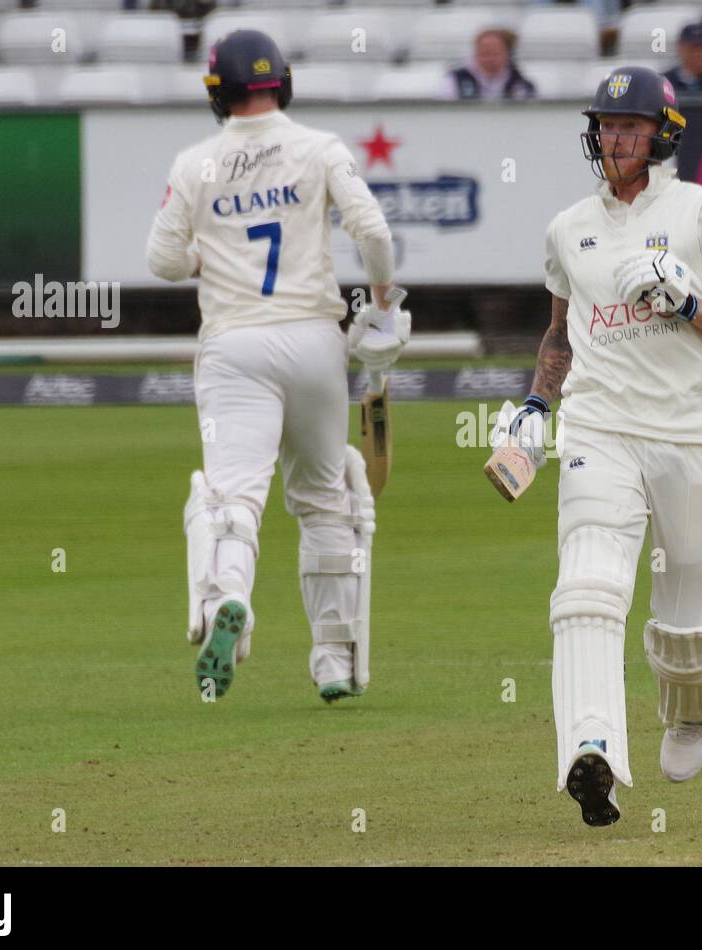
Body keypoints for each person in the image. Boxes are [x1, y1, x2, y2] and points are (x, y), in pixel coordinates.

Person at [498, 66, 702, 826]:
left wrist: (688, 302)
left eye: (630, 126)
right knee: (586, 588)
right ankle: (593, 753)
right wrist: (535, 405)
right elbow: (559, 333)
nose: (616, 138)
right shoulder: (568, 228)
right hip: (600, 428)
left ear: (662, 134)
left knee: (686, 609)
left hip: (693, 431)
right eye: (607, 126)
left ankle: (690, 707)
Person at [146, 30, 409, 704]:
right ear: (282, 83)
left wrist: (210, 257)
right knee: (326, 498)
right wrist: (381, 301)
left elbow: (163, 260)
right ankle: (331, 659)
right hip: (316, 341)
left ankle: (230, 597)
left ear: (218, 92)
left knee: (234, 496)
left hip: (235, 344)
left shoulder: (195, 163)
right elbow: (374, 233)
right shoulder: (319, 148)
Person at [443, 28, 536, 101]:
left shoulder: (521, 84)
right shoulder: (455, 80)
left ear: (507, 54)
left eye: (495, 54)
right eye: (484, 53)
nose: (489, 59)